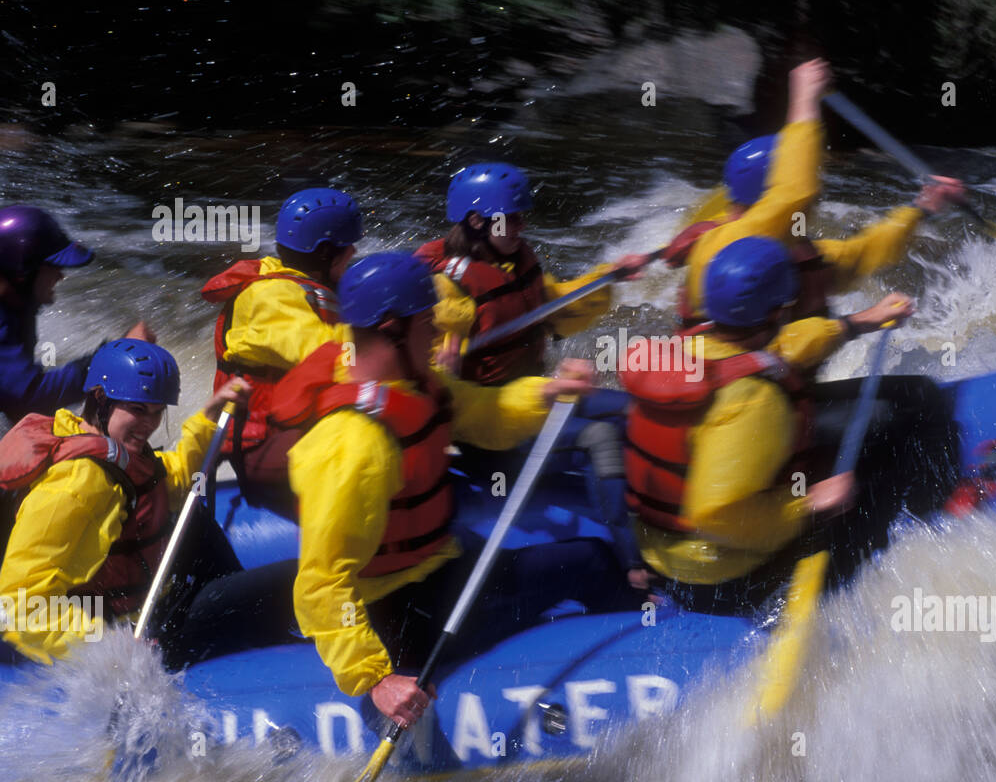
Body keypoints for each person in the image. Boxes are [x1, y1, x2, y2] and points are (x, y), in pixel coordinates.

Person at [272, 252, 635, 730]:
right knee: (594, 561)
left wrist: (546, 393)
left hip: (435, 567)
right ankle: (653, 650)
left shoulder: (407, 382)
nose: (440, 336)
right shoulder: (354, 447)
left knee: (527, 557)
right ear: (392, 329)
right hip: (404, 617)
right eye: (428, 323)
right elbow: (321, 581)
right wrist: (376, 678)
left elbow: (484, 415)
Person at [620, 237, 957, 608]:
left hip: (662, 559)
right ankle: (935, 528)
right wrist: (810, 502)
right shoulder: (757, 400)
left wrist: (861, 322)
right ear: (777, 311)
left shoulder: (690, 347)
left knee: (873, 420)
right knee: (877, 469)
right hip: (728, 577)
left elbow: (786, 348)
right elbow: (715, 516)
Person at [663, 59, 967, 329]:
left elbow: (865, 251)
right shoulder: (743, 245)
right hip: (757, 384)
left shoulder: (717, 242)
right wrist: (804, 99)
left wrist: (923, 207)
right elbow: (797, 191)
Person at [0, 339, 249, 665]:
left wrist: (207, 419)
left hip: (141, 609)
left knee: (192, 520)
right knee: (278, 593)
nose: (149, 423)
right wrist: (111, 651)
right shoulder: (76, 485)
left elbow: (167, 483)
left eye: (158, 412)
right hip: (121, 635)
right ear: (101, 399)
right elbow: (17, 605)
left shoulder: (109, 448)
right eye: (138, 409)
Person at [415, 163, 648, 385]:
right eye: (510, 218)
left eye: (520, 216)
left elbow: (557, 309)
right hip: (488, 403)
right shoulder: (449, 287)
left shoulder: (513, 263)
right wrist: (445, 372)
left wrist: (608, 275)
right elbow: (427, 365)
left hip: (529, 387)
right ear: (477, 222)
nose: (522, 225)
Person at [199, 188, 356, 512]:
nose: (354, 251)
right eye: (348, 246)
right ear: (325, 253)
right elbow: (336, 359)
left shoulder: (295, 285)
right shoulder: (272, 299)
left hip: (291, 434)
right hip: (266, 452)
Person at [0, 205, 151, 430]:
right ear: (23, 273)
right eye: (53, 266)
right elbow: (29, 398)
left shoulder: (18, 305)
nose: (61, 275)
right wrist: (112, 359)